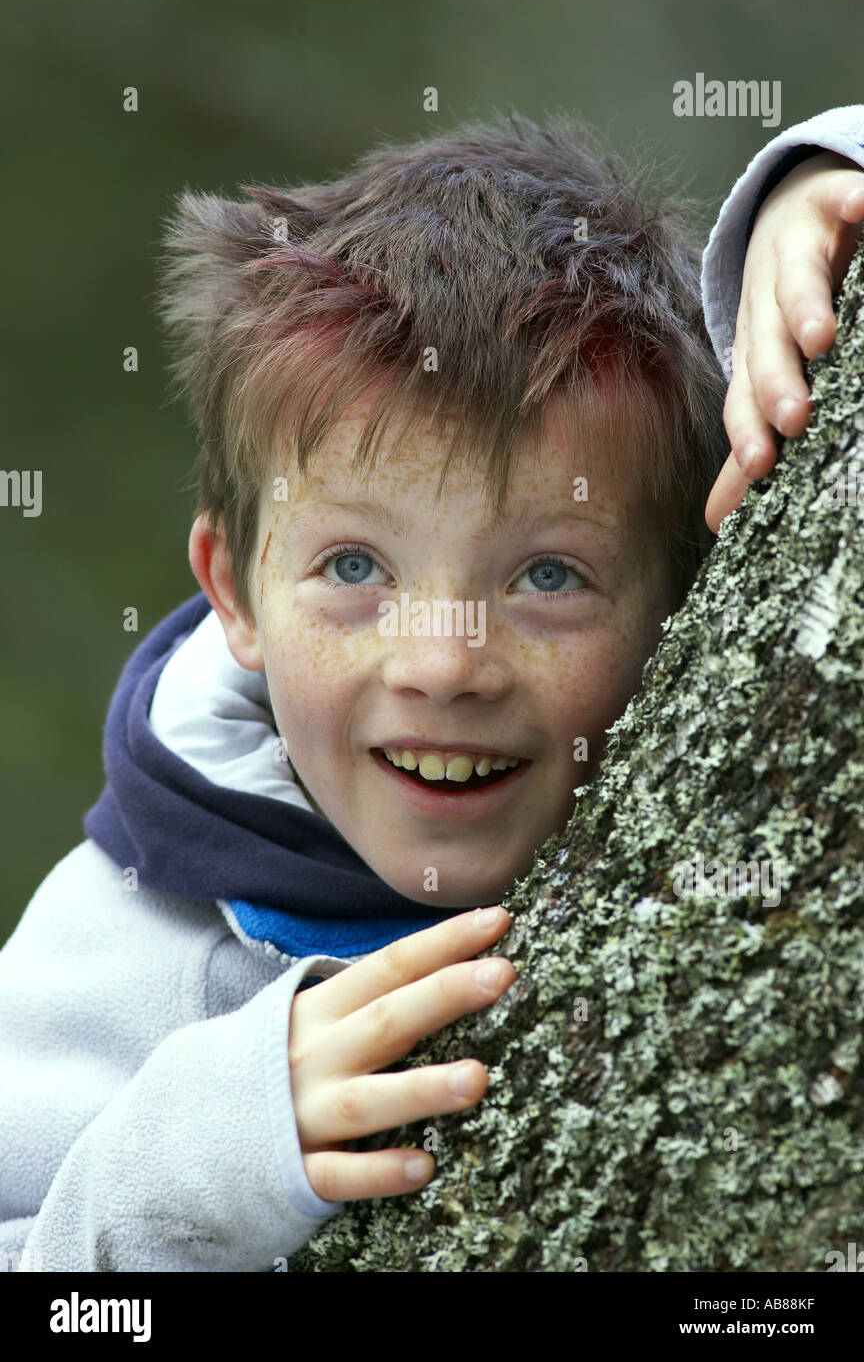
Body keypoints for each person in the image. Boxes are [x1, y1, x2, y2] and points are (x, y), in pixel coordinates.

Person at [1, 106, 863, 1274]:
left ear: (693, 601)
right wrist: (191, 1151)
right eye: (354, 567)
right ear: (236, 594)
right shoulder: (119, 941)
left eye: (549, 574)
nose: (444, 664)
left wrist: (815, 188)